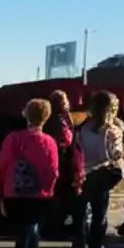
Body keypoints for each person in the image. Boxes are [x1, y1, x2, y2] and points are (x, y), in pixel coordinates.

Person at [0, 99, 60, 248]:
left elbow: (3, 165)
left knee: (24, 226)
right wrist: (50, 189)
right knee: (31, 225)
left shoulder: (13, 139)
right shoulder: (49, 142)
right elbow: (53, 170)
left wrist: (0, 190)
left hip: (14, 191)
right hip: (40, 192)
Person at [71, 90, 124, 248]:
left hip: (83, 173)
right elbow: (115, 153)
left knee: (80, 214)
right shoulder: (113, 130)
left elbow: (77, 151)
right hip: (103, 173)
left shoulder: (82, 127)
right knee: (99, 213)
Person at [42, 90, 84, 238]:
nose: (67, 103)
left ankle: (55, 224)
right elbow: (65, 139)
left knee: (60, 193)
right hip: (61, 159)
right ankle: (54, 226)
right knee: (60, 193)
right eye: (64, 101)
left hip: (62, 159)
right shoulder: (58, 119)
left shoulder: (59, 118)